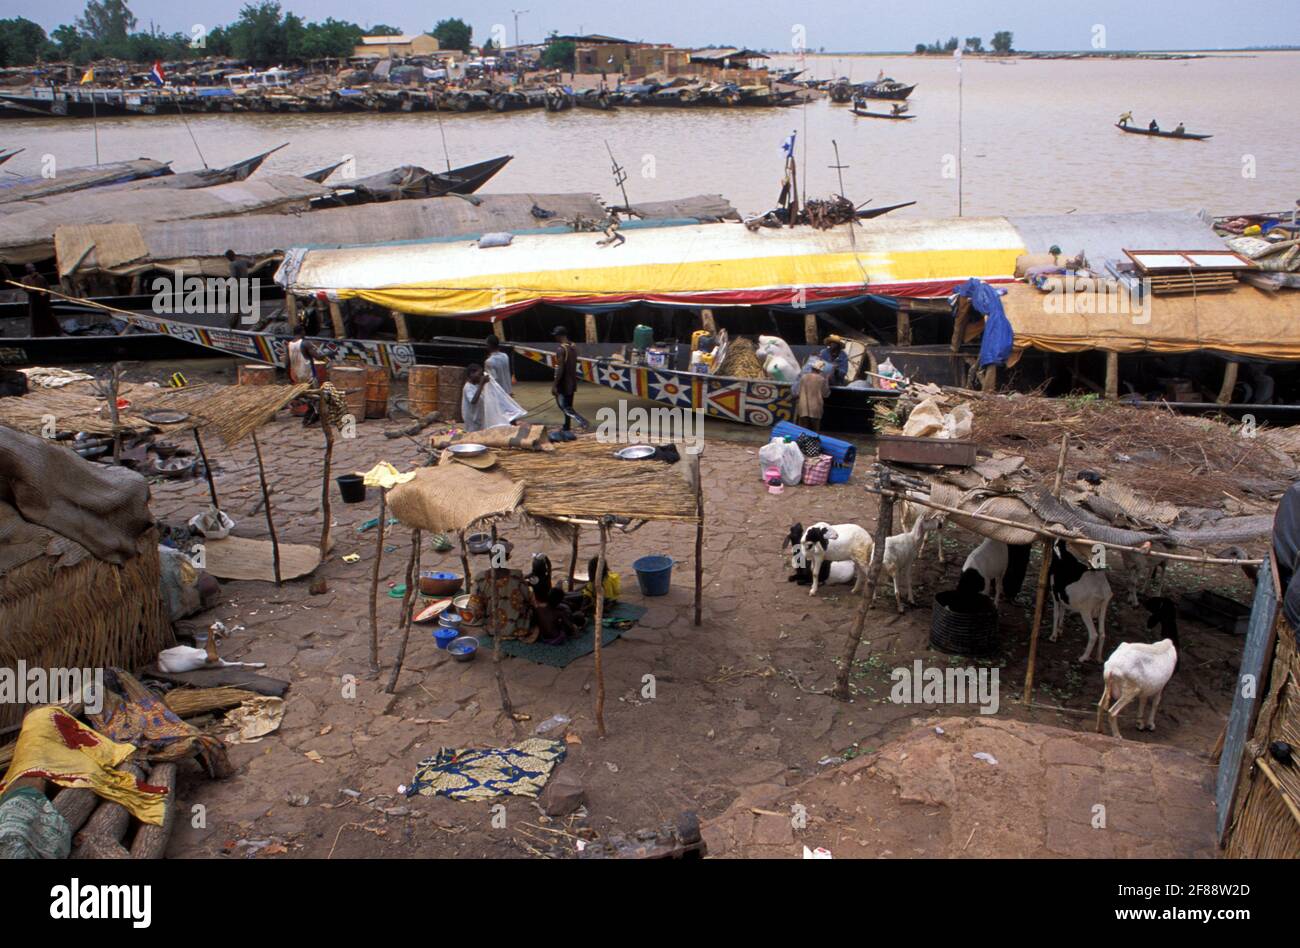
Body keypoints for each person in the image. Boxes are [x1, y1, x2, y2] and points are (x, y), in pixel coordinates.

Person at [551, 325, 587, 431]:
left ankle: (582, 421)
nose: (555, 338)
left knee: (563, 406)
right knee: (568, 404)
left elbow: (560, 369)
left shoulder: (561, 349)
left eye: (556, 336)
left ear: (559, 336)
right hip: (572, 382)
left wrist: (554, 385)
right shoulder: (573, 347)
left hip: (563, 382)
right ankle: (567, 426)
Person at [19, 264, 60, 337]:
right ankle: (36, 334)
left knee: (48, 315)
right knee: (35, 318)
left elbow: (46, 288)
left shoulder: (41, 278)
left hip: (42, 301)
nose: (31, 269)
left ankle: (54, 332)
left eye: (32, 267)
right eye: (29, 268)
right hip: (33, 301)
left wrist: (44, 293)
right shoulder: (25, 279)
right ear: (26, 270)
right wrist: (35, 291)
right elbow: (25, 288)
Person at [796, 358, 831, 432]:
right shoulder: (822, 379)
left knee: (802, 430)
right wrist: (827, 380)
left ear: (812, 368)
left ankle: (800, 443)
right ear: (820, 370)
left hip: (803, 407)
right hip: (815, 408)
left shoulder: (803, 377)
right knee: (814, 431)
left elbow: (798, 391)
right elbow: (825, 394)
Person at [462, 363, 487, 431]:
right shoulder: (468, 387)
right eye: (479, 374)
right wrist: (481, 384)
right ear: (471, 374)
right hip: (472, 420)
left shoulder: (476, 385)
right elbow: (473, 401)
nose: (480, 376)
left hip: (478, 417)